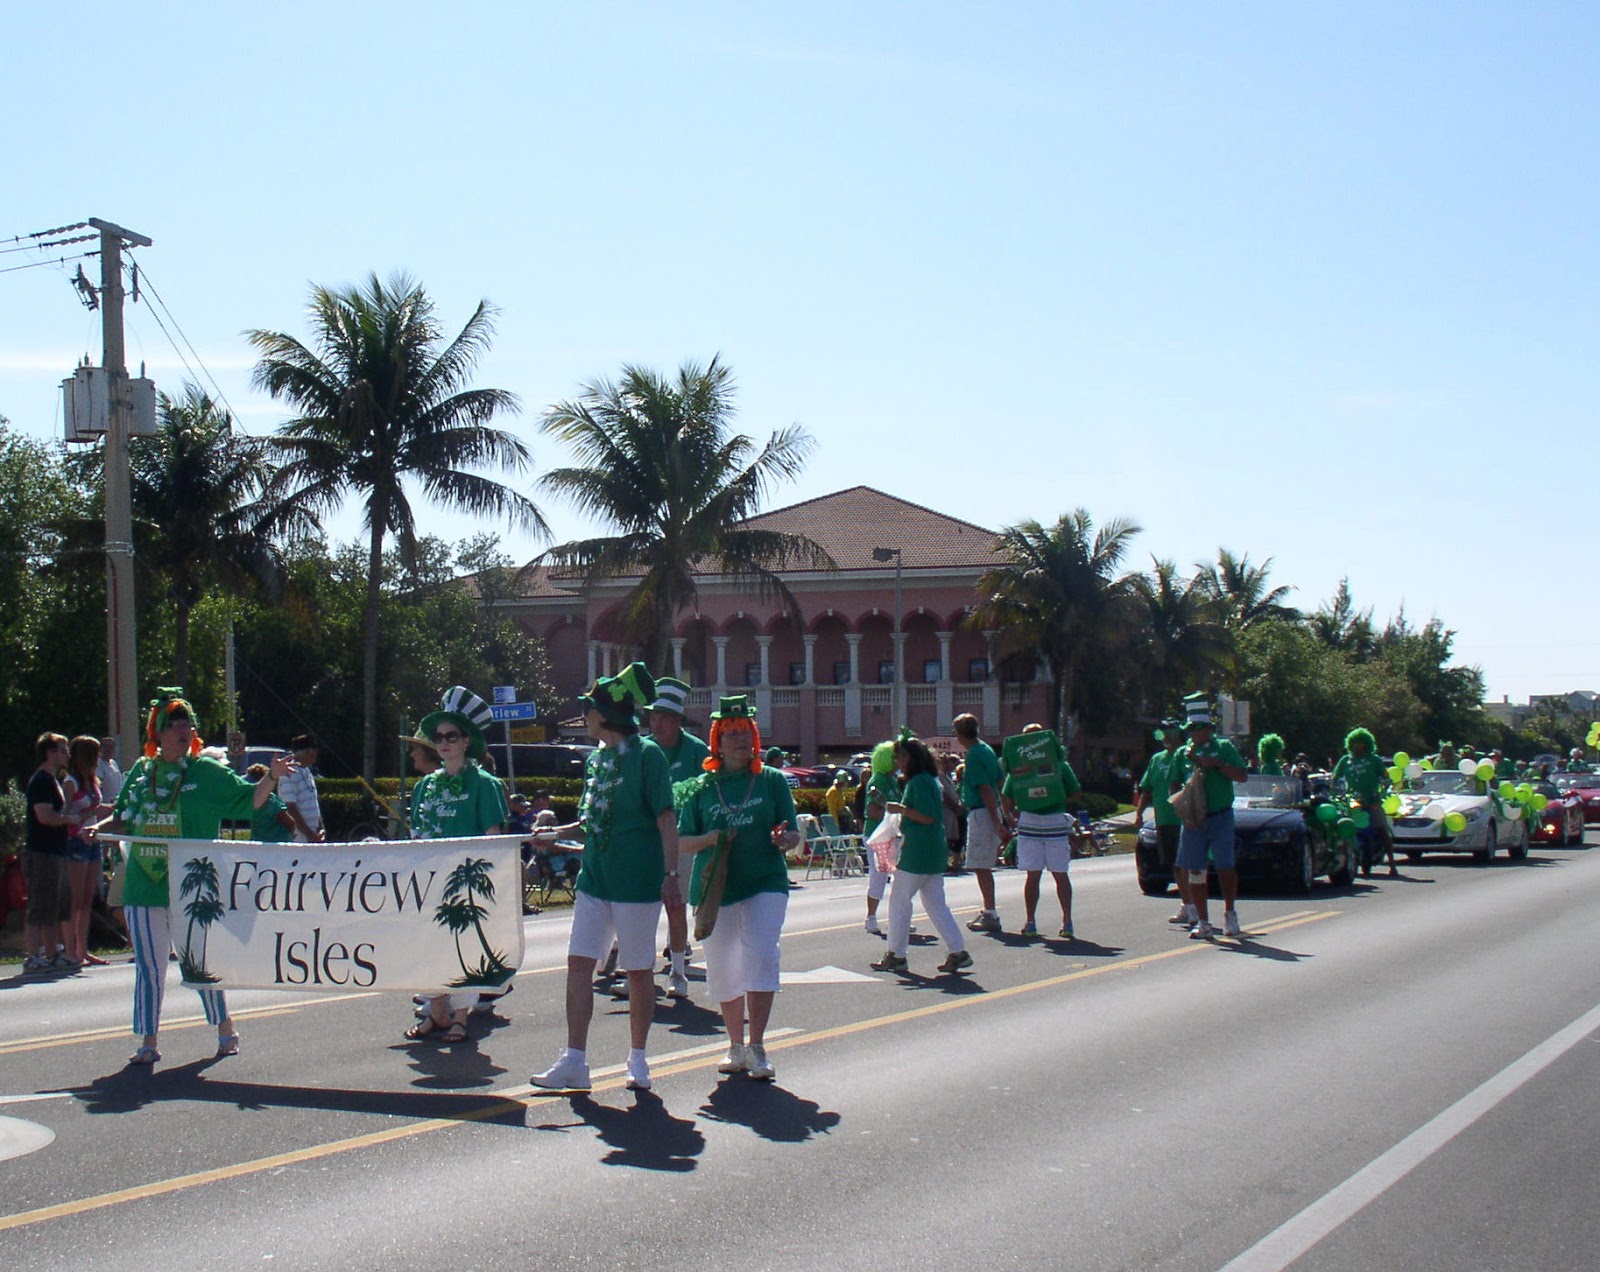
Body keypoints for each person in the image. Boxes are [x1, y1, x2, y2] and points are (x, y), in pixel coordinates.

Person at [105, 689, 290, 1064]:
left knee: (200, 962)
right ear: (158, 732)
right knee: (149, 968)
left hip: (192, 886)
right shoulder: (142, 772)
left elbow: (250, 800)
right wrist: (98, 827)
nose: (183, 731)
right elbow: (122, 816)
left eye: (187, 724)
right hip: (143, 883)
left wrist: (272, 775)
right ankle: (149, 1041)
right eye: (174, 724)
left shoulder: (206, 772)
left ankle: (224, 1027)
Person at [532, 663, 680, 1093]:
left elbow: (666, 818)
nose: (585, 717)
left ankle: (638, 1058)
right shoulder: (596, 760)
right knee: (579, 963)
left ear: (603, 714)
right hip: (594, 880)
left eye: (588, 710)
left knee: (638, 970)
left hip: (636, 882)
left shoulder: (648, 756)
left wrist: (671, 874)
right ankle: (574, 1060)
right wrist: (555, 834)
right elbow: (589, 821)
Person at [677, 696, 799, 1080]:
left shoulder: (771, 780)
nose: (740, 740)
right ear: (717, 742)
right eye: (731, 734)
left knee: (761, 954)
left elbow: (793, 832)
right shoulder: (700, 789)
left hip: (765, 882)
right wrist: (711, 838)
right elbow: (682, 841)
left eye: (745, 732)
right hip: (715, 890)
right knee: (723, 967)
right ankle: (735, 1045)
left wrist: (784, 839)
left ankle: (758, 1046)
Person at [405, 687, 510, 1044]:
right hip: (428, 882)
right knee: (427, 947)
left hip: (466, 885)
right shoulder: (425, 786)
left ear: (466, 741)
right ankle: (436, 1012)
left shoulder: (485, 785)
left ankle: (461, 1017)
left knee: (464, 949)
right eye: (438, 737)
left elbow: (493, 839)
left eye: (451, 736)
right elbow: (416, 837)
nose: (444, 743)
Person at [870, 733, 972, 976]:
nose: (898, 761)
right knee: (936, 904)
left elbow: (927, 817)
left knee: (899, 902)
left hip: (917, 851)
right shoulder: (930, 780)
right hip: (933, 850)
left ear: (913, 757)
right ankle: (957, 950)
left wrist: (901, 809)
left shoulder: (919, 782)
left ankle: (896, 954)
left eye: (901, 756)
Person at [645, 676, 709, 999]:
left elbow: (708, 794)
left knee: (675, 903)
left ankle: (678, 972)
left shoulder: (697, 751)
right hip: (647, 840)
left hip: (682, 840)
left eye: (661, 718)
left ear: (677, 720)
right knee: (642, 906)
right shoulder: (644, 749)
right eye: (652, 717)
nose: (655, 724)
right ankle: (637, 970)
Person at [1171, 693, 1247, 941]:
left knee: (1225, 866)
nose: (1194, 733)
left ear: (1208, 729)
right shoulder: (1183, 753)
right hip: (1194, 819)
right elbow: (1174, 782)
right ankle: (1203, 921)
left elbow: (1242, 775)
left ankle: (1230, 913)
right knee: (1195, 869)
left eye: (1198, 728)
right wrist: (1180, 803)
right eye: (1190, 729)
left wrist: (1217, 765)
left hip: (1220, 816)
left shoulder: (1223, 748)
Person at [1000, 724, 1080, 940]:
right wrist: (1055, 796)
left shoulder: (1021, 767)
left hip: (1036, 823)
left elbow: (1007, 797)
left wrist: (1010, 814)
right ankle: (1059, 921)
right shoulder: (1059, 765)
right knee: (1054, 874)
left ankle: (1037, 922)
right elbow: (1075, 793)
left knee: (1039, 875)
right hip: (1047, 823)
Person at [954, 713, 1011, 933]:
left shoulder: (974, 755)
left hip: (981, 812)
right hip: (988, 811)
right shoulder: (986, 750)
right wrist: (1005, 811)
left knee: (981, 865)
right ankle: (989, 910)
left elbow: (985, 788)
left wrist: (996, 821)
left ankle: (990, 912)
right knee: (982, 864)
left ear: (961, 734)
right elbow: (1000, 781)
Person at [1134, 720, 1193, 928]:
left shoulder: (1187, 755)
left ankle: (1196, 907)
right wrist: (1139, 813)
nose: (1166, 737)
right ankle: (1187, 905)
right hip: (1164, 819)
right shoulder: (1157, 759)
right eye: (1163, 733)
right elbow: (1147, 788)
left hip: (1184, 819)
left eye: (1170, 733)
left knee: (1188, 864)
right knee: (1175, 864)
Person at [23, 733, 73, 973]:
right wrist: (69, 819)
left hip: (56, 851)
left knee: (55, 906)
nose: (67, 755)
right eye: (63, 750)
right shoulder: (41, 781)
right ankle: (32, 955)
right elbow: (44, 816)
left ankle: (53, 953)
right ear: (50, 753)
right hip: (41, 852)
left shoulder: (54, 780)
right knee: (39, 905)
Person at [61, 736, 113, 967]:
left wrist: (112, 808)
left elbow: (96, 808)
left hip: (93, 842)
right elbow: (65, 815)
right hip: (75, 841)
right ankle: (70, 950)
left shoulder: (92, 781)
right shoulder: (70, 782)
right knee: (75, 899)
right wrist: (87, 815)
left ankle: (83, 949)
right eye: (96, 753)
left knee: (87, 900)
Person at [1331, 727, 1396, 879]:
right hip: (1352, 801)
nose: (1358, 746)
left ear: (1367, 744)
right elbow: (1335, 777)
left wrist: (1384, 785)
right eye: (1355, 743)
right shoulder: (1345, 760)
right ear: (1350, 744)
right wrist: (1334, 788)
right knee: (1345, 827)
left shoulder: (1374, 759)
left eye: (1361, 743)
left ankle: (1392, 864)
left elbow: (1385, 777)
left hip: (1372, 801)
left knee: (1381, 828)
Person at [860, 741, 899, 935]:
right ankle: (871, 917)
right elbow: (872, 811)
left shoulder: (893, 780)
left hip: (891, 834)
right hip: (878, 835)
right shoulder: (878, 780)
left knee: (898, 877)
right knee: (879, 876)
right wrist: (893, 812)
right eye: (895, 756)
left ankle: (897, 918)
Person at [277, 733, 325, 843]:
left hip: (312, 836)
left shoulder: (307, 772)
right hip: (297, 838)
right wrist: (309, 834)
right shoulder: (289, 774)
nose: (314, 754)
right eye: (311, 751)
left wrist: (320, 828)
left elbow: (314, 804)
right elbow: (290, 809)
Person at [244, 764, 295, 842]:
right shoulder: (249, 802)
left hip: (277, 843)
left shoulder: (271, 801)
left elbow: (289, 823)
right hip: (258, 842)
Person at [97, 735, 125, 806]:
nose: (109, 749)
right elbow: (98, 785)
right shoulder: (98, 764)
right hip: (105, 804)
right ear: (100, 748)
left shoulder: (114, 763)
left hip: (116, 803)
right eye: (106, 746)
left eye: (111, 746)